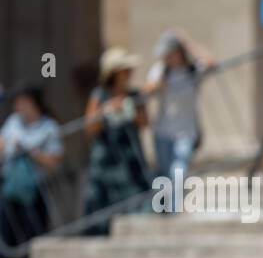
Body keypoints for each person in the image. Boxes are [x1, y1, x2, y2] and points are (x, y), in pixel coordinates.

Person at [83, 47, 152, 230]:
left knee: (137, 197)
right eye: (125, 70)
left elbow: (144, 122)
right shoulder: (100, 95)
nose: (129, 73)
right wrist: (107, 110)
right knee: (102, 201)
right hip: (107, 158)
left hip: (130, 157)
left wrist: (130, 108)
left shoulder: (135, 95)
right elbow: (90, 127)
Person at [143, 28, 214, 204]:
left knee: (179, 172)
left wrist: (186, 41)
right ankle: (165, 210)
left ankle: (174, 210)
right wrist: (159, 86)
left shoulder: (192, 71)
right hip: (163, 132)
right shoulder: (160, 71)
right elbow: (147, 89)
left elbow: (211, 63)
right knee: (164, 176)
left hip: (186, 132)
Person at [0, 86, 62, 255]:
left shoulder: (49, 127)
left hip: (36, 190)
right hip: (11, 188)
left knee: (33, 238)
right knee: (7, 236)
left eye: (22, 102)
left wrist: (30, 152)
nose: (18, 107)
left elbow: (54, 161)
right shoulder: (13, 122)